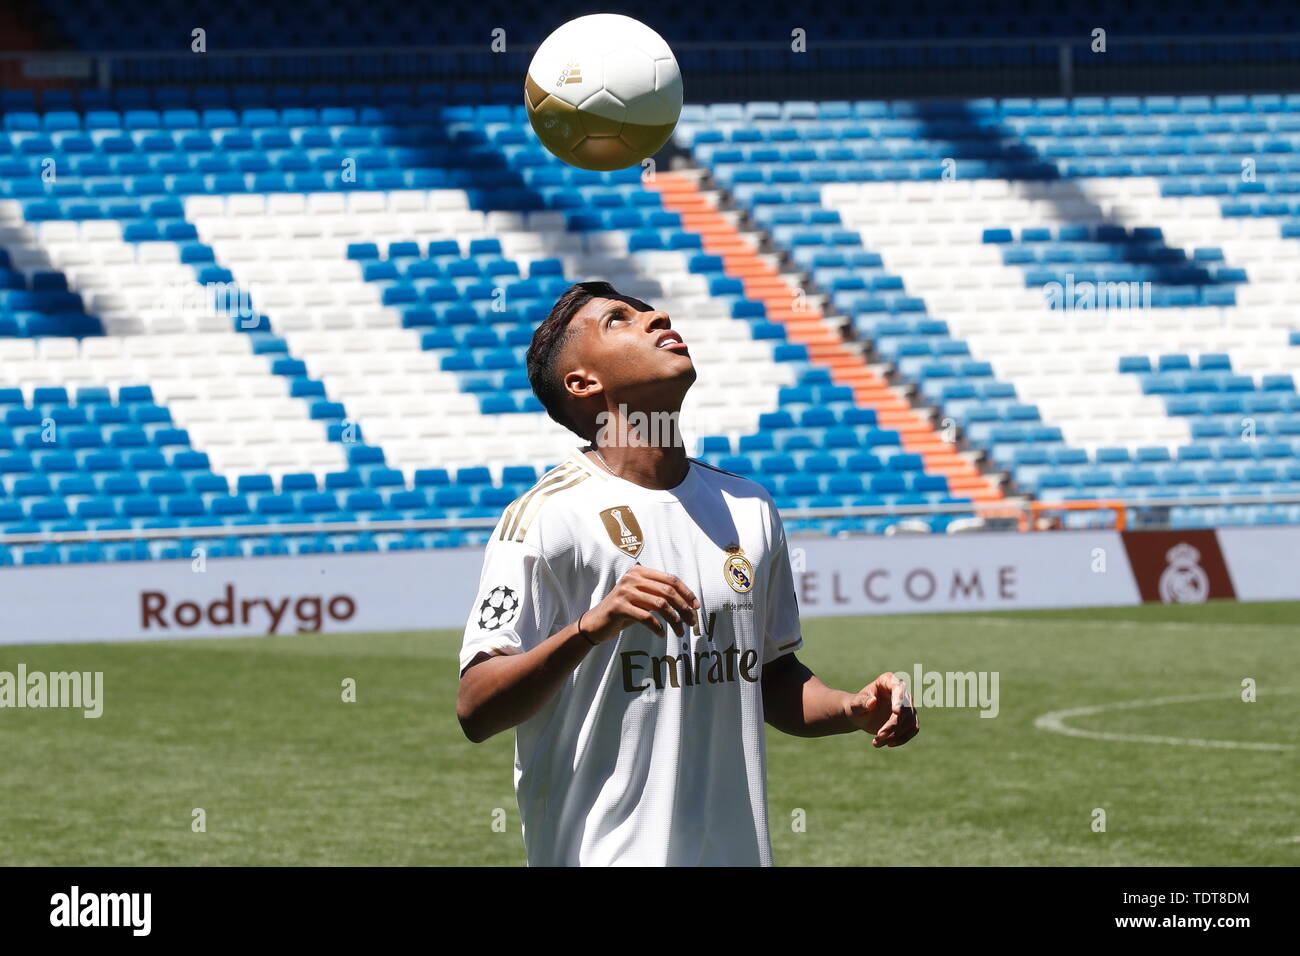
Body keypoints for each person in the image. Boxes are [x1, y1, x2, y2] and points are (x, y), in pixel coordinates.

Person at [456, 280, 919, 866]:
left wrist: (851, 708)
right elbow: (475, 707)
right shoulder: (548, 516)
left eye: (649, 310)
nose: (658, 317)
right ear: (582, 383)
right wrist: (589, 629)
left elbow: (772, 677)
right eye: (619, 320)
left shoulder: (749, 506)